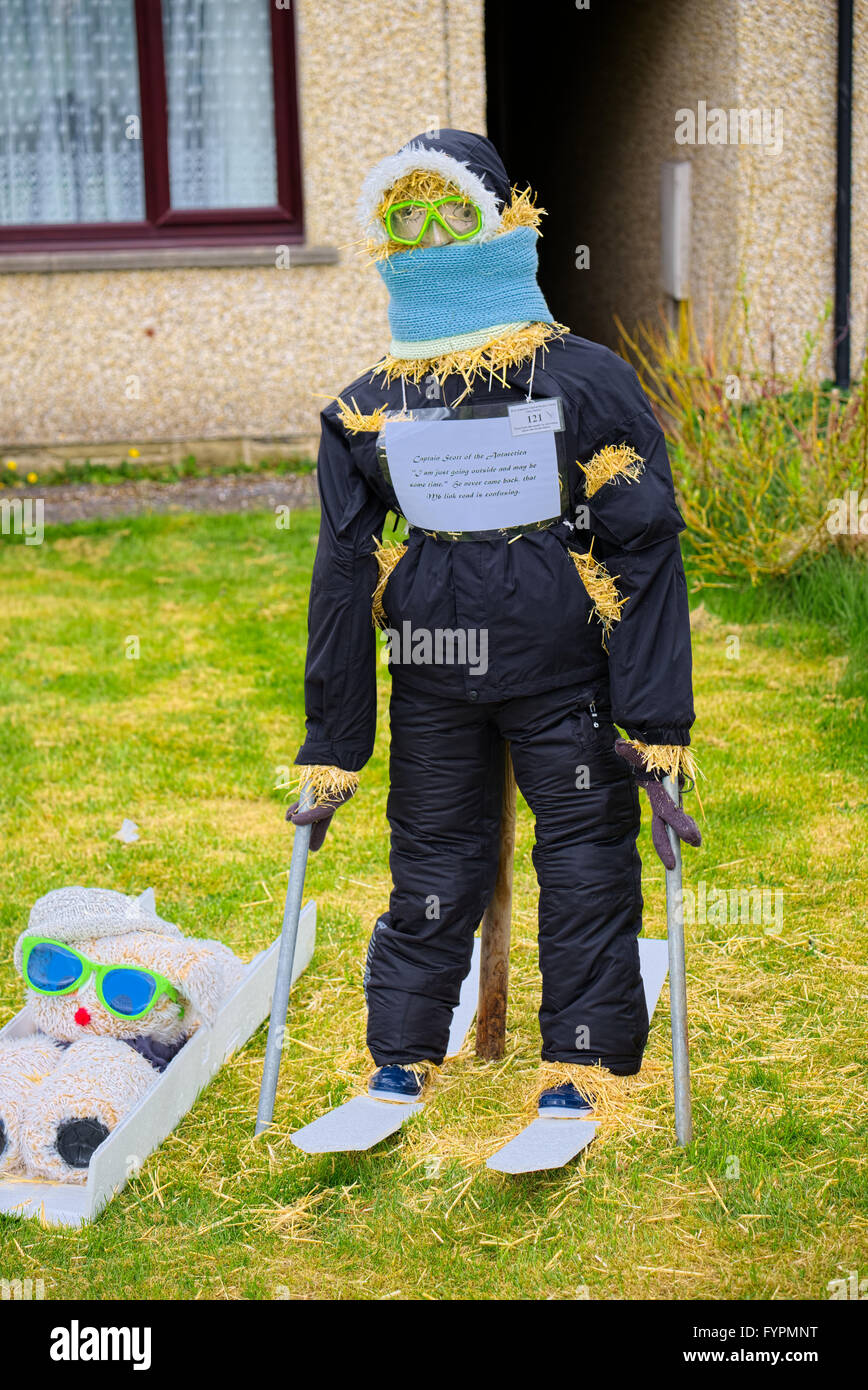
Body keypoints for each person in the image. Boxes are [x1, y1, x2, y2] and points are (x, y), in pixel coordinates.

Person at [288, 129, 700, 1118]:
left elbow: (644, 546)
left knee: (585, 859)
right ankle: (400, 1052)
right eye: (403, 219)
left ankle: (582, 1061)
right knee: (428, 860)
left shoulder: (582, 381)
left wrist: (655, 730)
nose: (426, 239)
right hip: (431, 673)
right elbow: (342, 576)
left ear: (499, 224)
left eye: (448, 215)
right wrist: (332, 747)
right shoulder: (366, 408)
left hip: (562, 673)